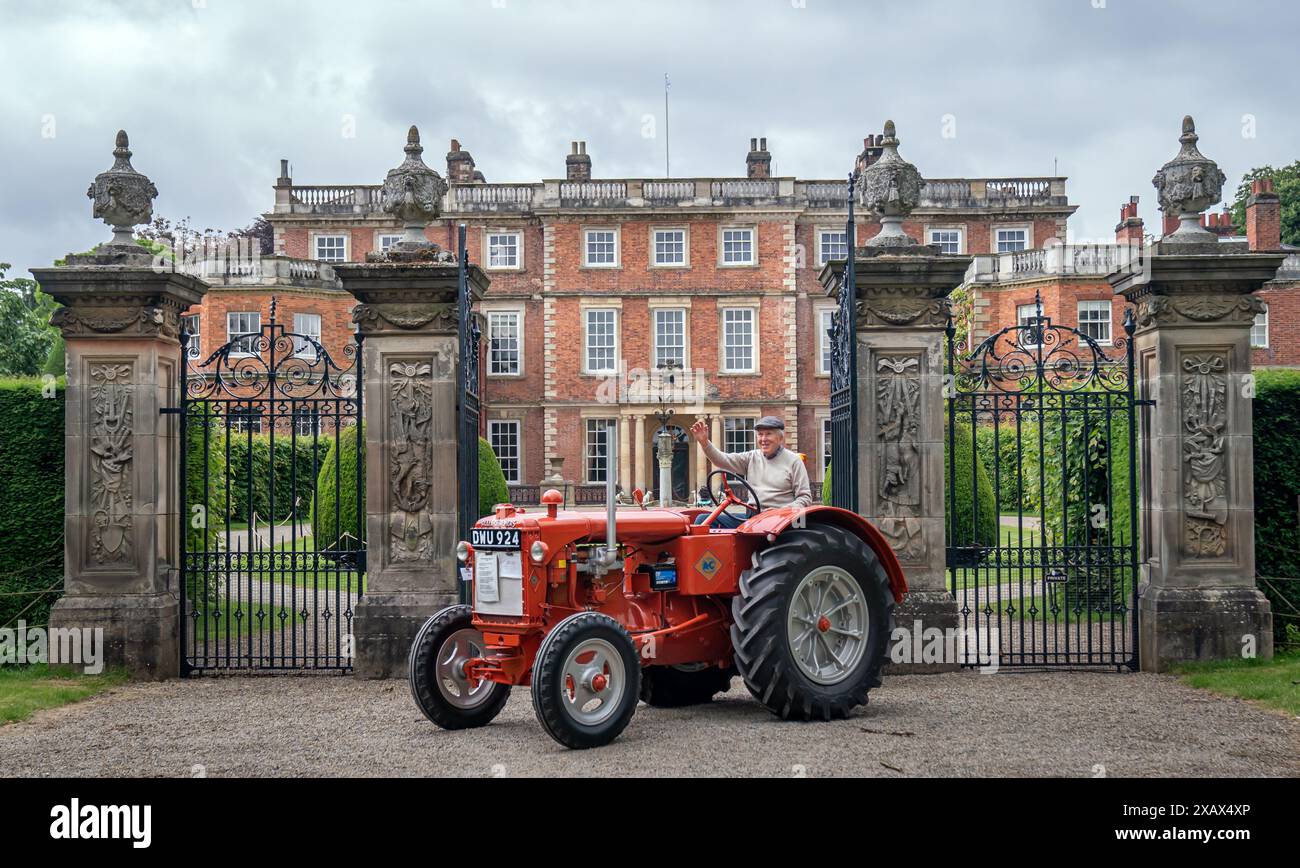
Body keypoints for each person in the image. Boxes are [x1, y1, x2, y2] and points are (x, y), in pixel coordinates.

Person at [690, 416, 812, 528]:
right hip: (753, 517)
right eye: (760, 434)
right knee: (703, 521)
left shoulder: (794, 461)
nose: (763, 439)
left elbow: (804, 497)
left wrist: (781, 511)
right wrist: (704, 443)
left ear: (780, 438)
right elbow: (722, 460)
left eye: (768, 434)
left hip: (780, 521)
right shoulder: (751, 457)